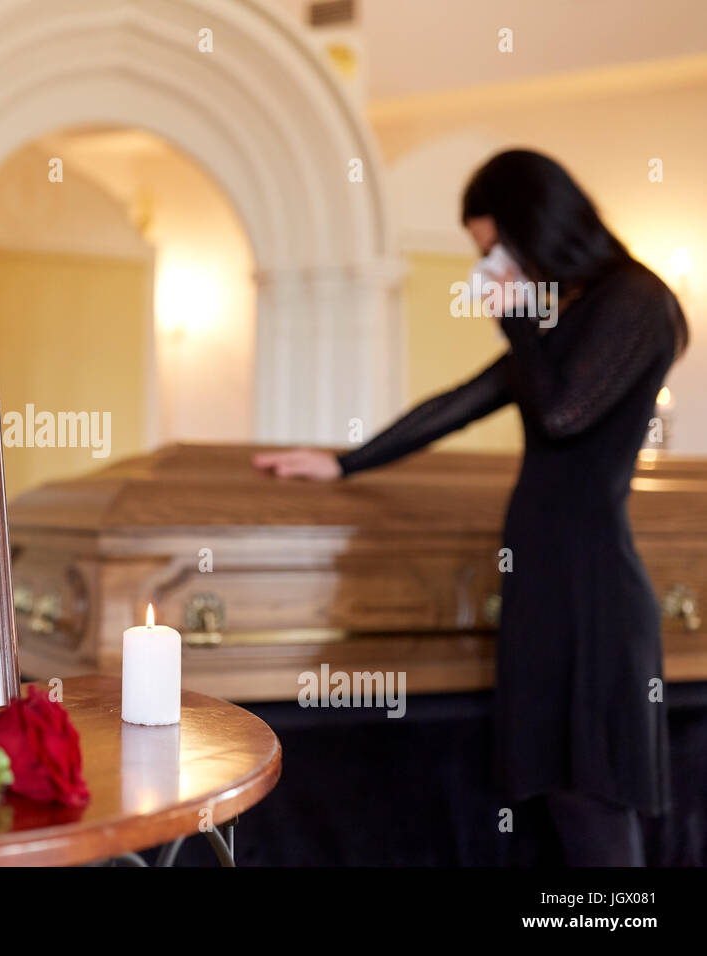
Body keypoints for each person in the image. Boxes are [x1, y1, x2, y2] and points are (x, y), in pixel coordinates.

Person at [254, 149, 689, 866]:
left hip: (594, 594)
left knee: (594, 801)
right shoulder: (564, 316)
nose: (492, 268)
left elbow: (563, 415)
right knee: (560, 797)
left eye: (495, 249)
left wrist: (517, 318)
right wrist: (343, 462)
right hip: (546, 588)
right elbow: (460, 403)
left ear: (535, 228)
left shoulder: (637, 300)